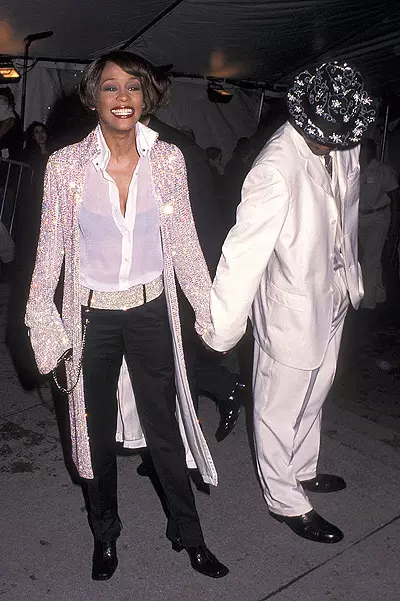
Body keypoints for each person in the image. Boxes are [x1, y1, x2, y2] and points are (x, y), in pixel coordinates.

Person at [25, 50, 228, 581]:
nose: (122, 98)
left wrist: (213, 316)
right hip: (90, 320)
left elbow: (184, 245)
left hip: (150, 314)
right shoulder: (66, 166)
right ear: (94, 96)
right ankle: (106, 534)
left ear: (146, 96)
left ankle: (189, 534)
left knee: (166, 431)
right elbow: (50, 252)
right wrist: (43, 322)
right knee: (94, 435)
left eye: (133, 88)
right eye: (111, 87)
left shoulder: (167, 160)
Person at [203, 61, 376, 543]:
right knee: (279, 406)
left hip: (335, 293)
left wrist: (350, 277)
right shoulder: (275, 169)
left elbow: (346, 211)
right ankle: (285, 499)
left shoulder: (345, 140)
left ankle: (302, 467)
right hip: (290, 306)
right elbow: (243, 252)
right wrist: (223, 326)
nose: (331, 144)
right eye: (323, 136)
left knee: (316, 392)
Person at [141, 113, 244, 445]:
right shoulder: (137, 141)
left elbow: (200, 221)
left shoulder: (175, 148)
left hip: (178, 270)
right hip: (154, 268)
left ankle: (181, 442)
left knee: (172, 356)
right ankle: (172, 439)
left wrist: (201, 283)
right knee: (163, 356)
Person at [358, 138, 400, 309]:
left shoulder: (382, 171)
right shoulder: (355, 169)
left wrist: (395, 224)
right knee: (370, 258)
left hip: (379, 217)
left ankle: (368, 303)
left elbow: (395, 197)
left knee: (370, 258)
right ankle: (380, 293)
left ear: (368, 151)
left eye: (361, 149)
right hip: (360, 218)